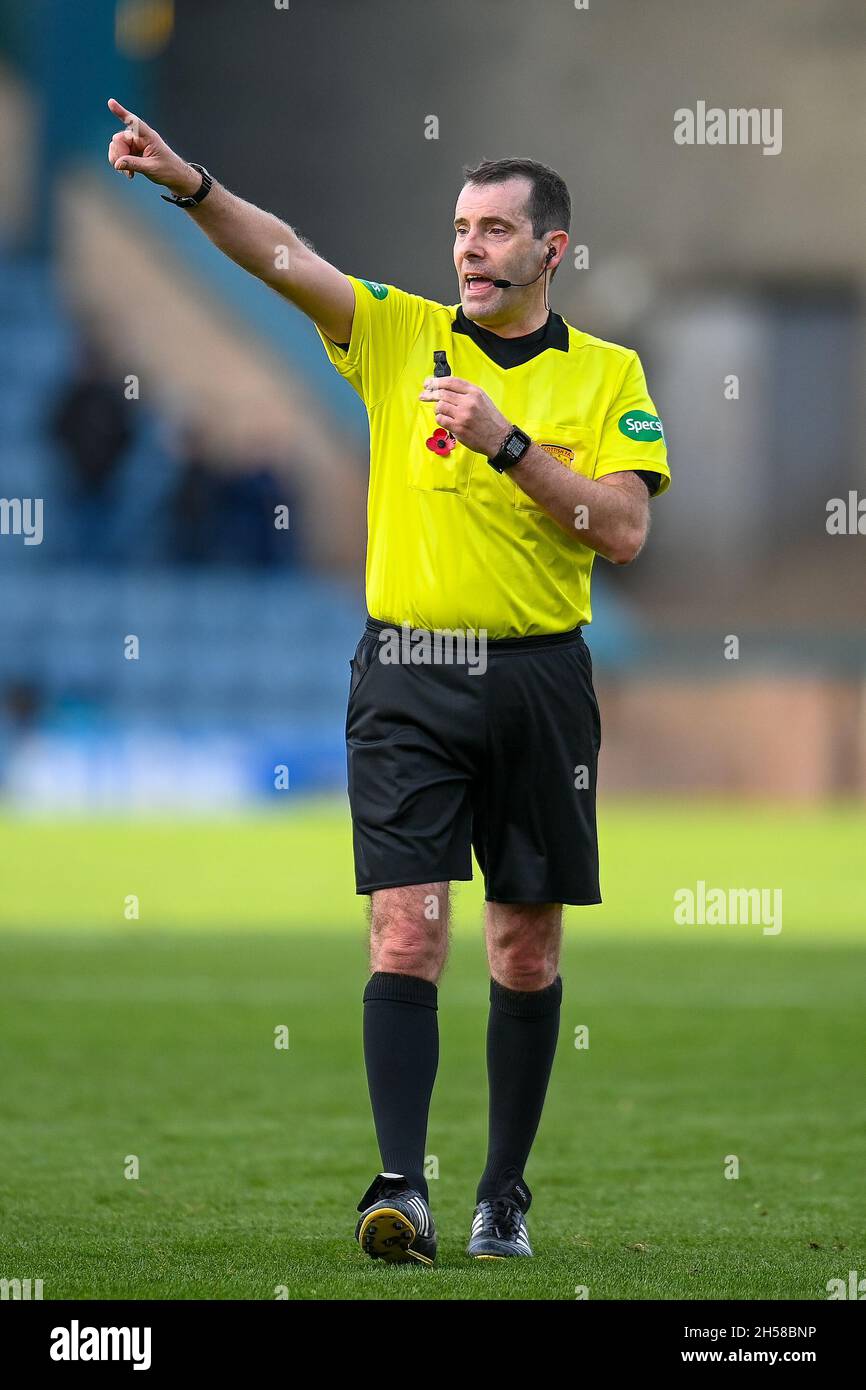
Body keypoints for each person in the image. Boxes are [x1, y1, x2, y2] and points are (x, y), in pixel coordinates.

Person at [107, 99, 671, 1265]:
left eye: (495, 231)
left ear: (549, 251)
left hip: (538, 680)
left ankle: (500, 1193)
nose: (467, 247)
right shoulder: (398, 335)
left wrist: (508, 445)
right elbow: (281, 256)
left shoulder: (608, 372)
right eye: (459, 227)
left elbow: (619, 531)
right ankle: (399, 1189)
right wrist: (188, 183)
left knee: (523, 947)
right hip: (408, 675)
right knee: (404, 931)